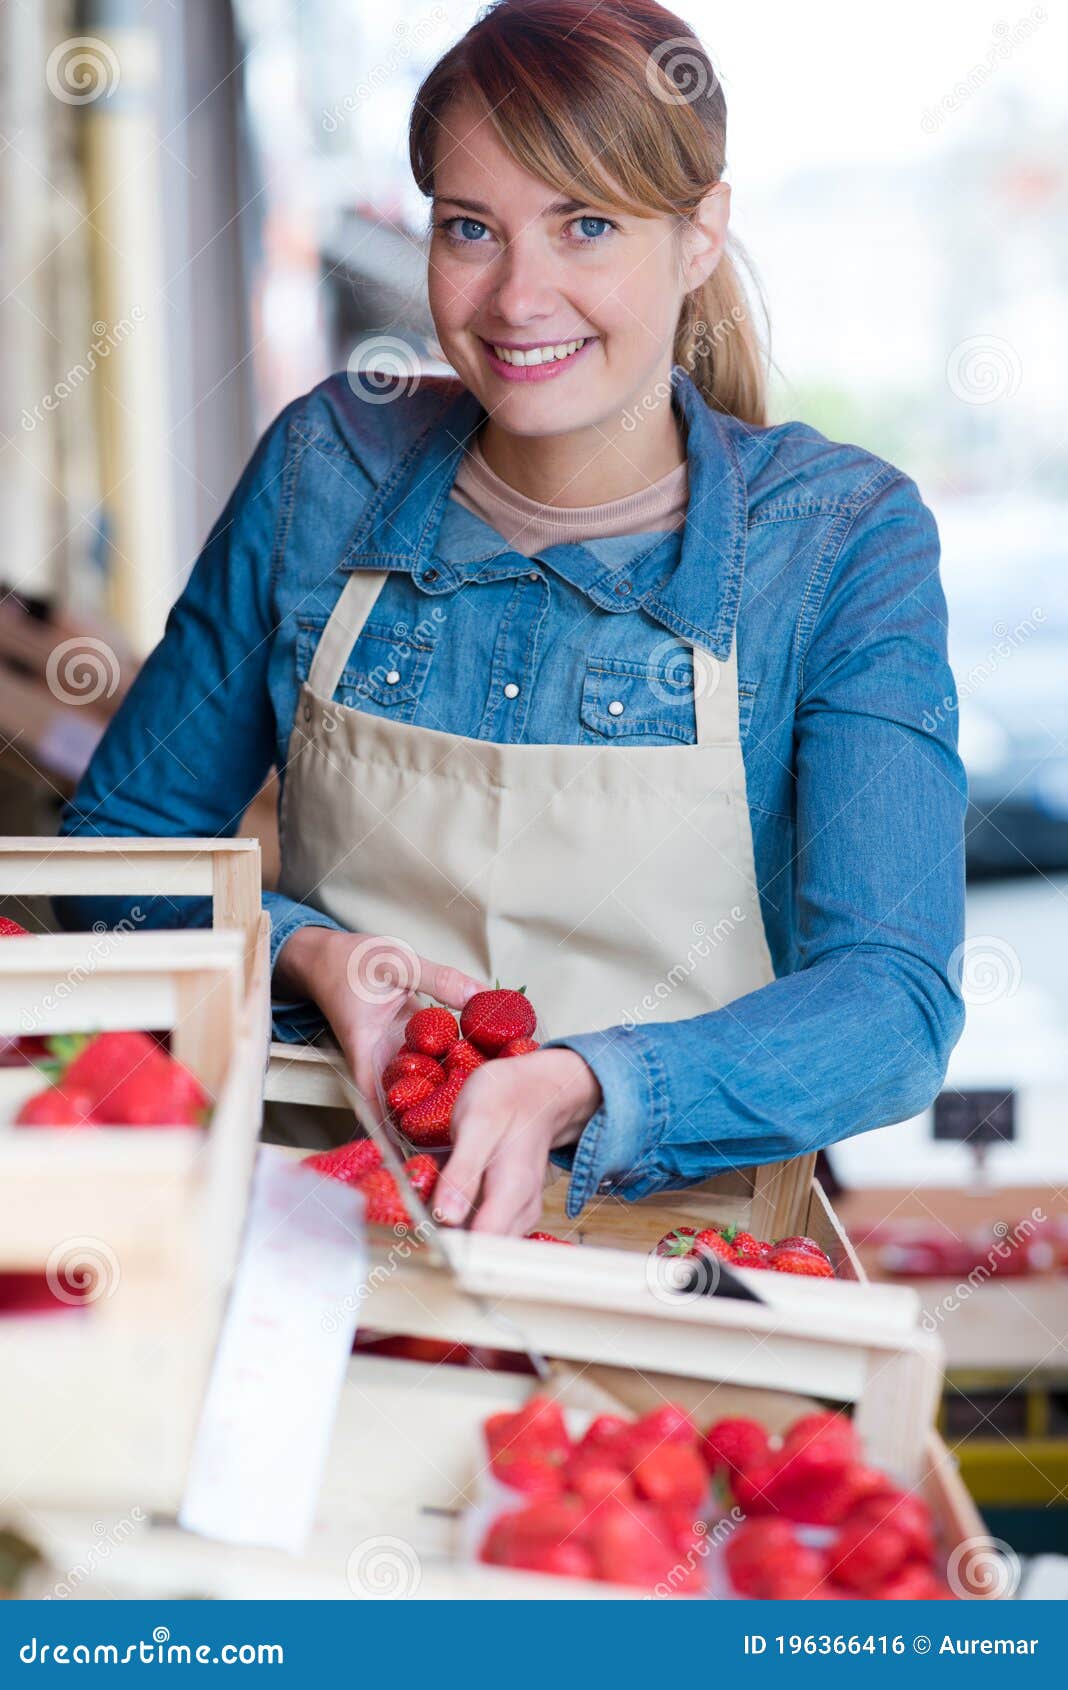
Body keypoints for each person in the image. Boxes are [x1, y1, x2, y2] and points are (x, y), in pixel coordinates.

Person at [57, 0, 967, 1237]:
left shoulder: (839, 538)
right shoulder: (324, 471)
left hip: (677, 1265)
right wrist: (310, 956)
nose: (515, 297)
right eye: (470, 228)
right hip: (310, 1232)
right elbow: (115, 860)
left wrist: (584, 1083)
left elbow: (896, 1007)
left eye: (586, 225)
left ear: (700, 231)